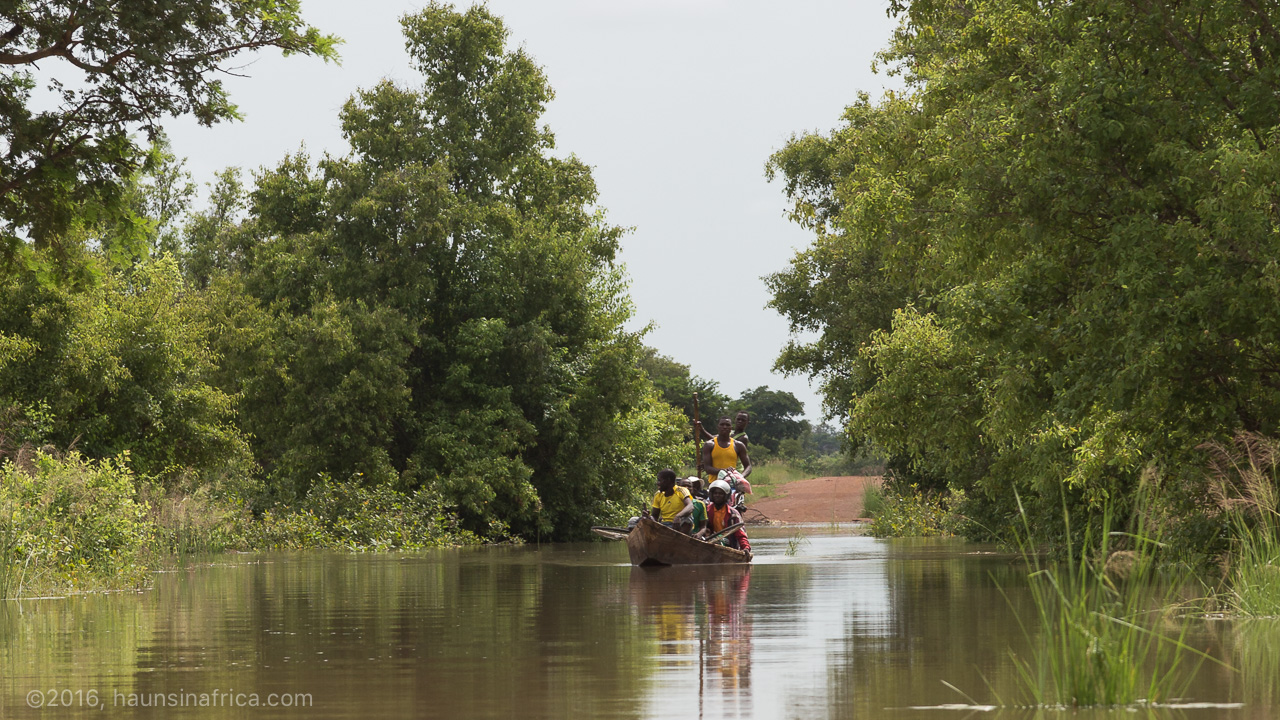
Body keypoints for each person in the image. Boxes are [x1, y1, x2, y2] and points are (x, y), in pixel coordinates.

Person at [698, 479, 751, 554]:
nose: (717, 495)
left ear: (726, 496)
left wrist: (746, 548)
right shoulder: (706, 511)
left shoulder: (733, 514)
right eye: (715, 493)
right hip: (709, 545)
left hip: (729, 546)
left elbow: (741, 535)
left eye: (720, 493)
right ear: (711, 495)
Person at [699, 416, 752, 486]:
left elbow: (748, 466)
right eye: (722, 424)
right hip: (715, 485)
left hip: (732, 484)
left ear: (731, 428)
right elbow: (707, 468)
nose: (724, 427)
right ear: (717, 427)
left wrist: (741, 477)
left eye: (727, 425)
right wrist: (724, 471)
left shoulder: (738, 445)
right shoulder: (709, 445)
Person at [650, 468, 694, 532]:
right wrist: (649, 518)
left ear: (668, 480)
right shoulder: (658, 494)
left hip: (679, 524)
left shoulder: (681, 490)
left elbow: (690, 506)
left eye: (660, 480)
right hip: (665, 525)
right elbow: (655, 516)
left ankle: (679, 538)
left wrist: (678, 516)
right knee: (636, 520)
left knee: (687, 518)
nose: (658, 483)